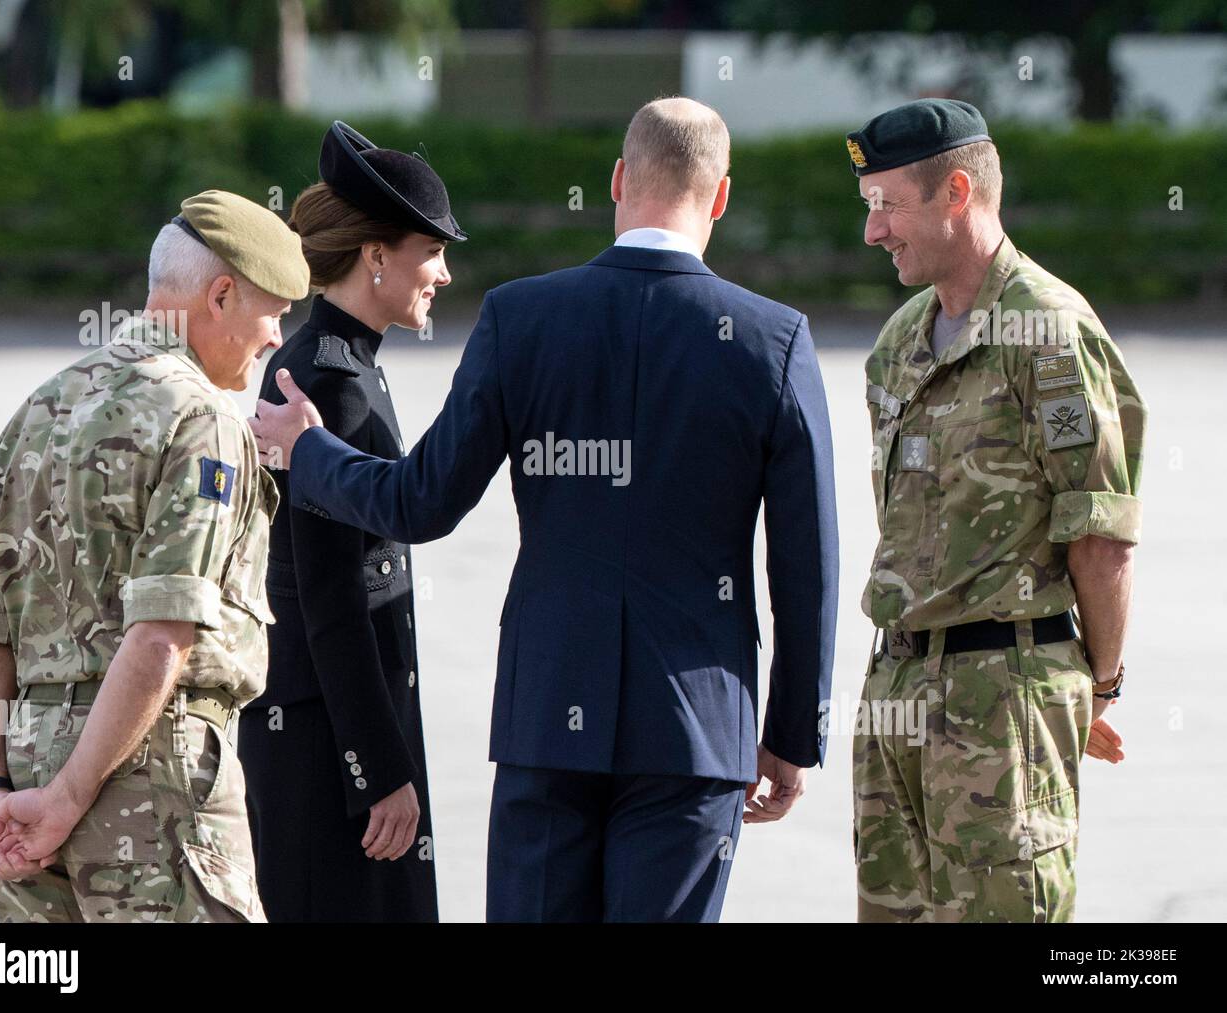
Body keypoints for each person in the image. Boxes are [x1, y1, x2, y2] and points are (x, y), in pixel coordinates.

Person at [250, 97, 839, 923]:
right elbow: (806, 566)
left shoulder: (522, 317)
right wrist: (791, 733)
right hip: (695, 734)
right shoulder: (774, 340)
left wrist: (309, 452)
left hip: (546, 721)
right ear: (722, 196)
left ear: (618, 181)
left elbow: (419, 500)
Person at [0, 190, 310, 921]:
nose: (276, 337)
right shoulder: (203, 418)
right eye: (273, 312)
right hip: (154, 780)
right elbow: (159, 635)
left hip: (28, 778)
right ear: (220, 295)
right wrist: (70, 797)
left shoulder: (39, 410)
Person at [846, 99, 1145, 922]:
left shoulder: (1046, 330)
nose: (873, 231)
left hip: (1003, 695)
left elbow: (1099, 534)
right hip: (896, 686)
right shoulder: (901, 340)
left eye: (886, 206)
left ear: (956, 192)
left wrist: (1100, 688)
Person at [238, 121, 463, 922]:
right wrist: (378, 767)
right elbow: (325, 592)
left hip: (331, 731)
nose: (441, 271)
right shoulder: (328, 381)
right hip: (326, 747)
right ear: (376, 255)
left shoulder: (338, 362)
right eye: (429, 250)